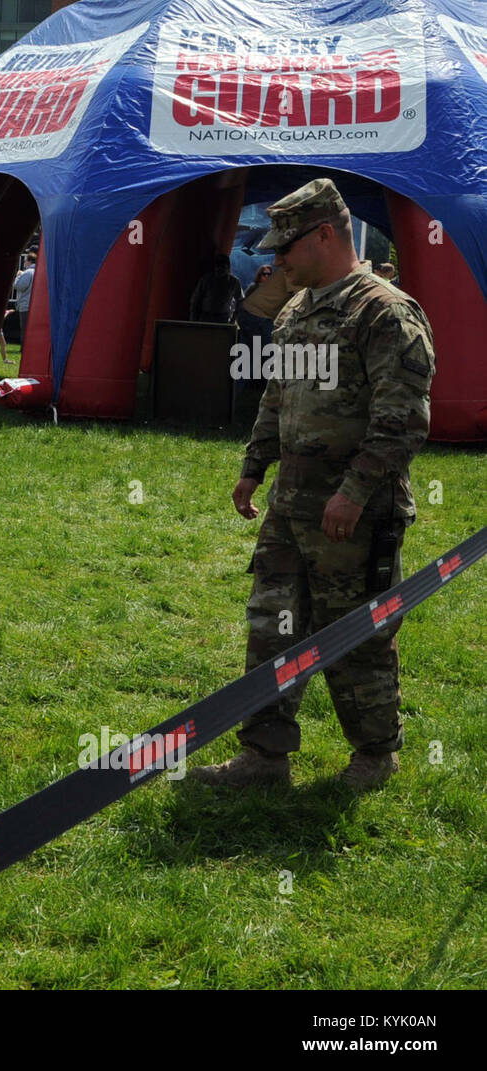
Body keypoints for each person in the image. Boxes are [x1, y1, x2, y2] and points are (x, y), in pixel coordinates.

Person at [190, 178, 436, 793]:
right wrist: (254, 465)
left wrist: (354, 493)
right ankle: (264, 757)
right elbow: (277, 396)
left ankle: (376, 754)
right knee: (271, 623)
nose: (276, 259)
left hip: (355, 510)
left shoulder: (384, 312)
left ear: (326, 234)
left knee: (356, 634)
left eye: (288, 247)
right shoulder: (296, 310)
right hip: (290, 505)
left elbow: (401, 418)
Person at [189, 253, 243, 322]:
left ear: (228, 267)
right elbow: (195, 299)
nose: (219, 269)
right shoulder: (206, 279)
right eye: (217, 266)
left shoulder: (234, 282)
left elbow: (240, 300)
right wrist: (193, 318)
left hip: (223, 318)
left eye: (222, 267)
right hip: (206, 317)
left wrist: (233, 318)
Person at [12, 254, 34, 342]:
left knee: (25, 329)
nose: (24, 263)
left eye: (25, 261)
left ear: (29, 261)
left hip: (26, 306)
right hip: (35, 306)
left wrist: (18, 276)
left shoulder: (28, 272)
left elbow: (18, 286)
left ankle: (24, 349)